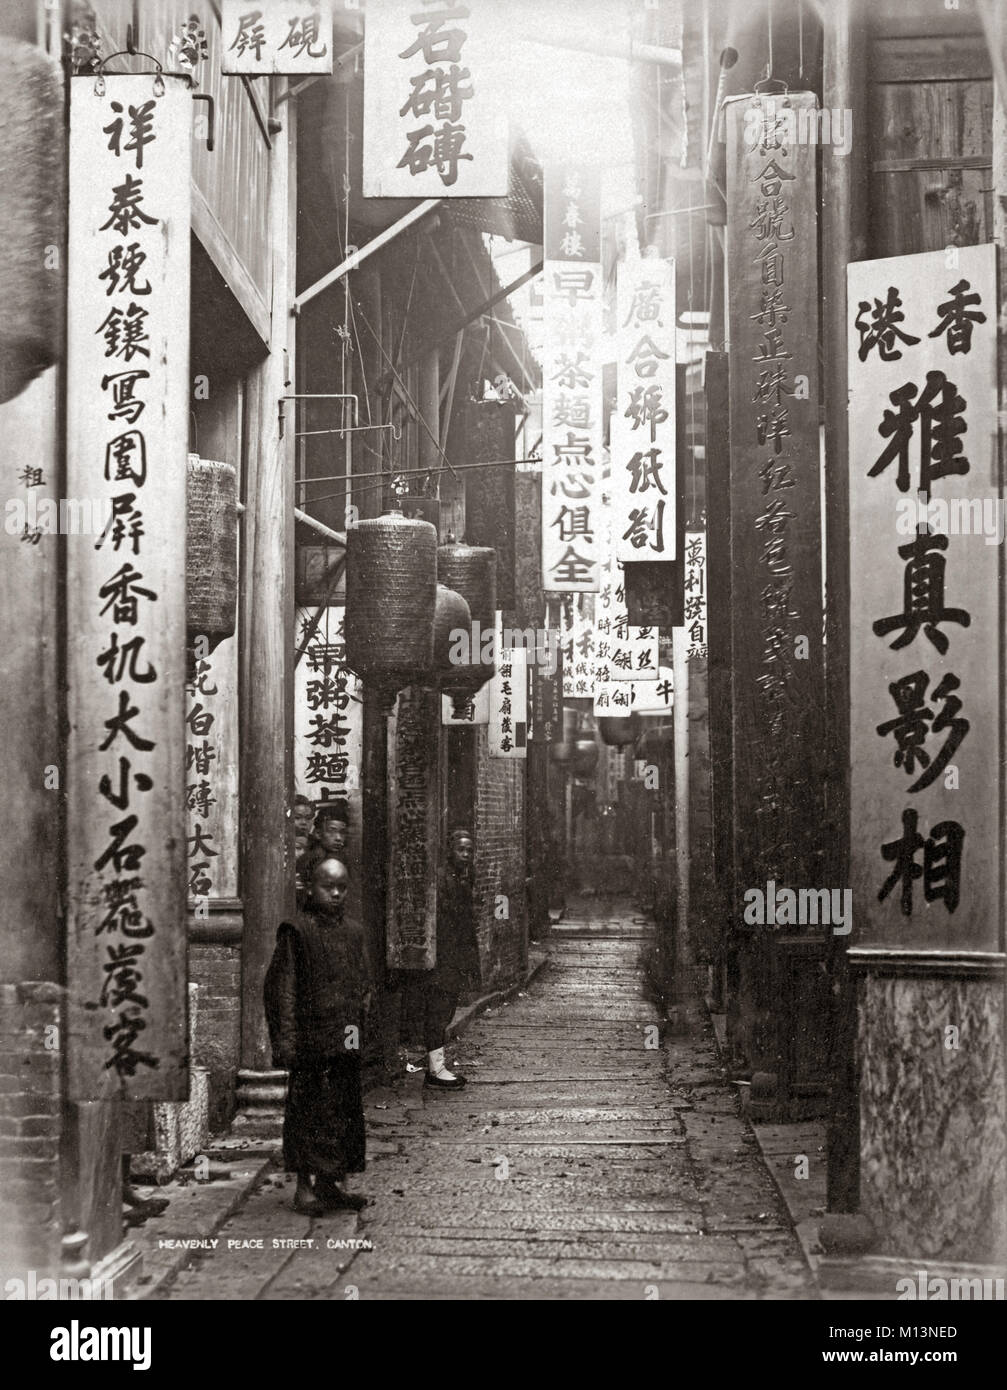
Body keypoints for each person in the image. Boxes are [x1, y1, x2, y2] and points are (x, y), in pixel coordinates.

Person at [263, 855, 369, 1214]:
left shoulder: (354, 932)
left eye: (342, 887)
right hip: (311, 1040)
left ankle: (331, 1182)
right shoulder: (296, 931)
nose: (336, 893)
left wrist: (355, 1037)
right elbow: (283, 991)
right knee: (307, 1112)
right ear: (311, 888)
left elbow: (361, 987)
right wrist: (286, 1042)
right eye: (328, 886)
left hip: (344, 1038)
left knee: (343, 1113)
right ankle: (304, 1186)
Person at [410, 827, 482, 1090]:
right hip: (443, 958)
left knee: (445, 1010)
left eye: (469, 850)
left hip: (453, 958)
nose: (465, 855)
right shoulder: (445, 881)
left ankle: (436, 1067)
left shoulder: (463, 878)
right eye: (460, 849)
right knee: (438, 1012)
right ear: (449, 851)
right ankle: (435, 1070)